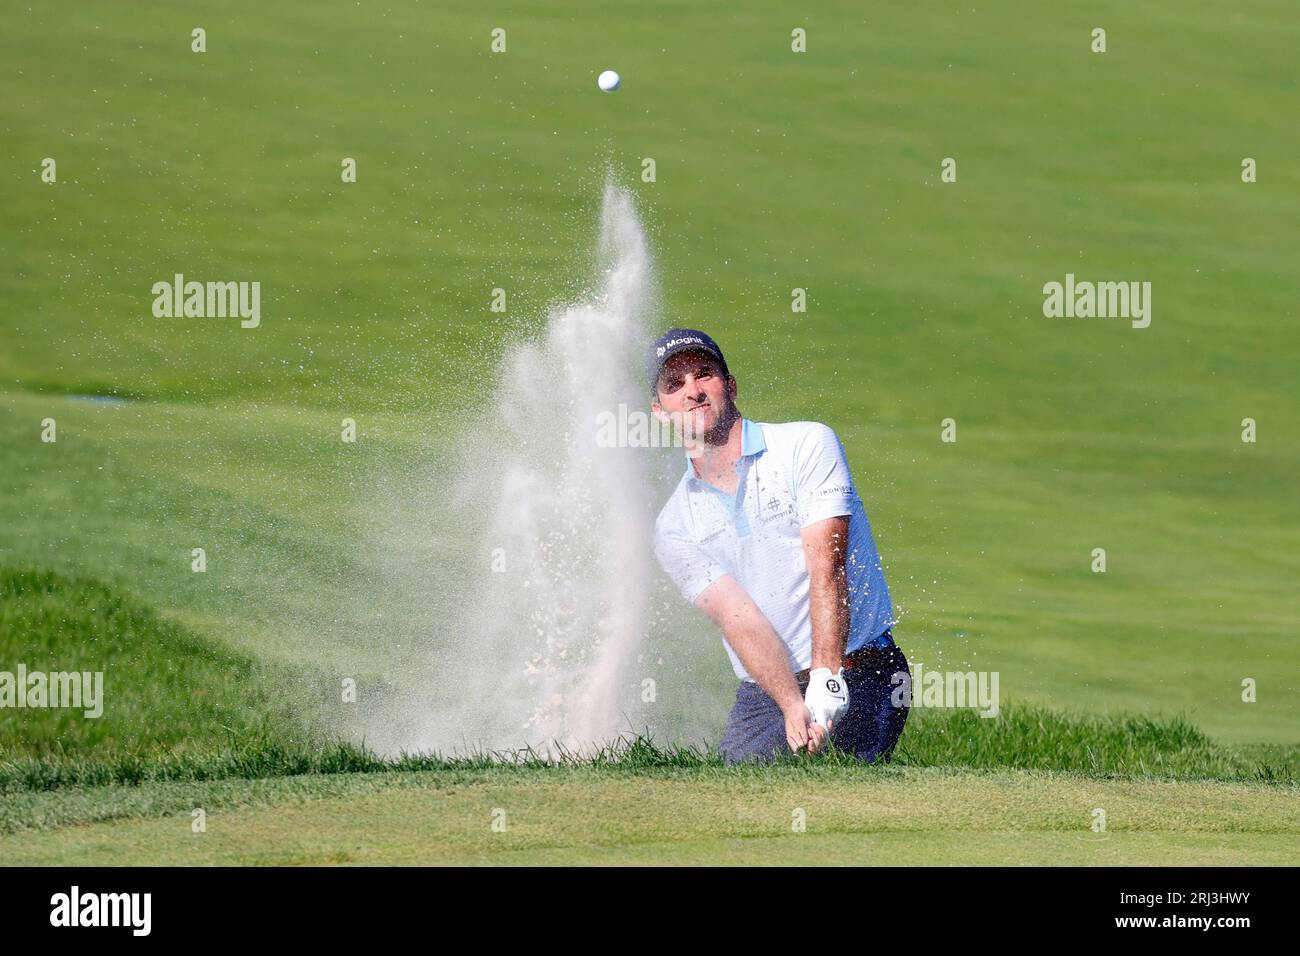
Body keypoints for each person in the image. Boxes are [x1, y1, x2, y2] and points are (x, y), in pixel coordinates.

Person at [648, 328, 910, 763]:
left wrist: (827, 681)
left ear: (730, 386)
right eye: (675, 385)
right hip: (767, 691)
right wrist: (791, 704)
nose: (692, 391)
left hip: (860, 669)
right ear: (660, 412)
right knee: (738, 802)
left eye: (704, 374)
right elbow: (739, 620)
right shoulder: (673, 526)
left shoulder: (805, 445)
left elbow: (828, 566)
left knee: (836, 801)